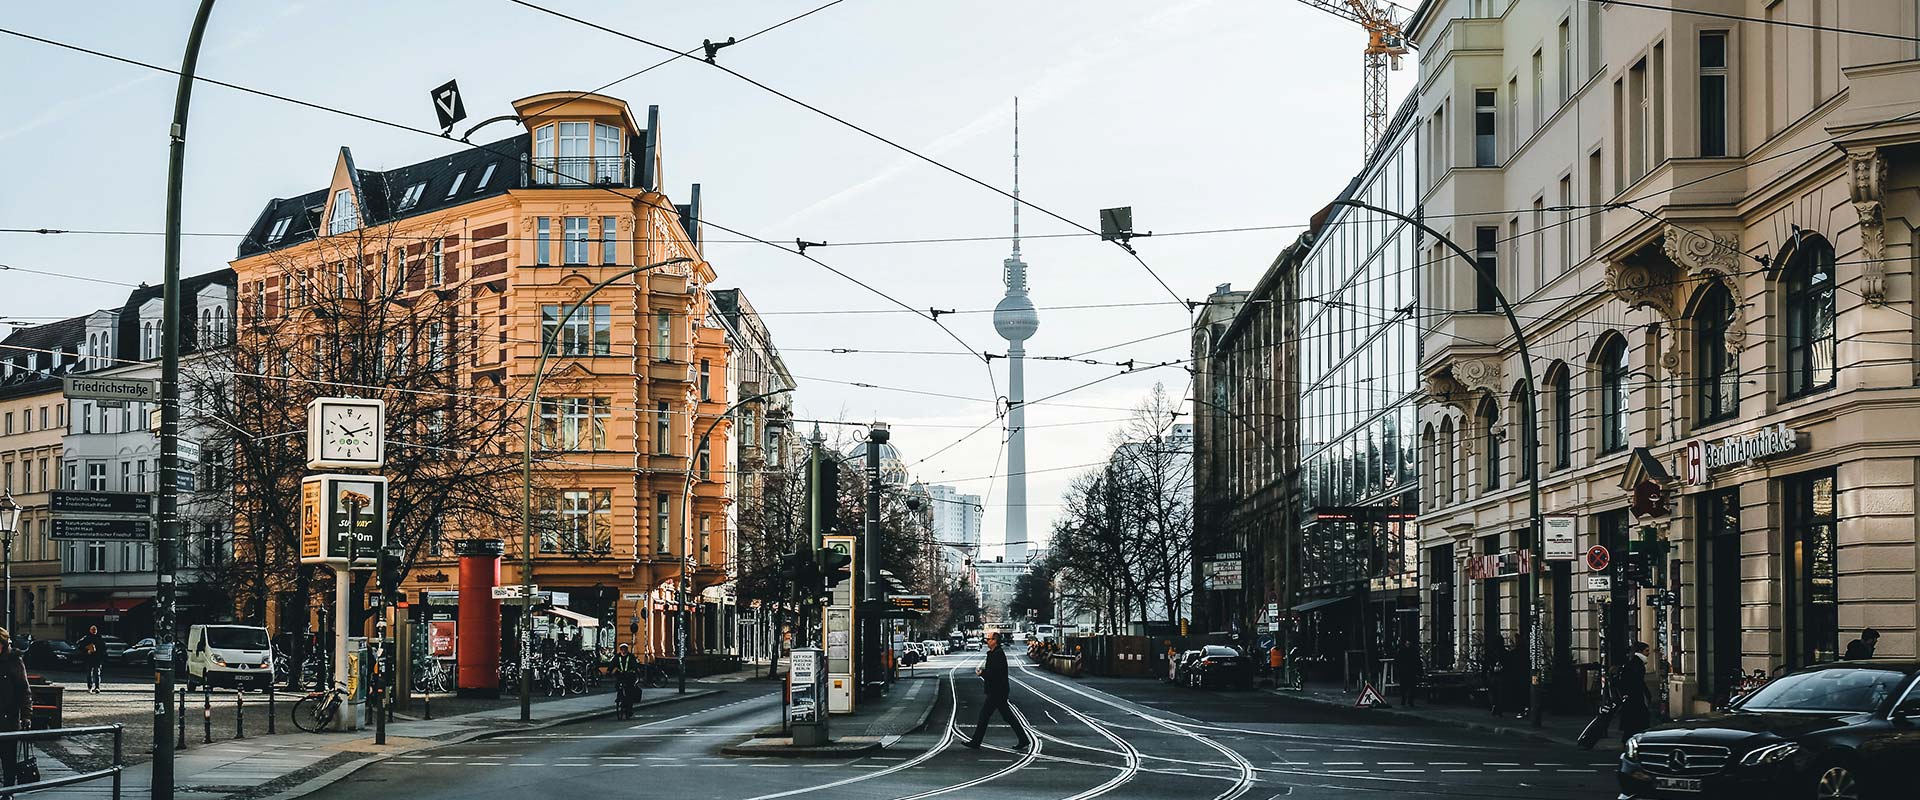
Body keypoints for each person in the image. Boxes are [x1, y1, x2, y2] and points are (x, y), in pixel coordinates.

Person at [963, 633, 1030, 750]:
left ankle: (976, 741)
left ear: (995, 641)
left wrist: (982, 673)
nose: (987, 641)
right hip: (998, 691)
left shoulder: (997, 654)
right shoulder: (994, 653)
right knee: (1007, 716)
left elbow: (995, 674)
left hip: (996, 691)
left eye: (989, 639)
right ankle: (1023, 739)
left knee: (984, 716)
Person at [0, 630, 29, 791]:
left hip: (8, 719)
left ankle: (8, 792)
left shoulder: (14, 661)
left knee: (8, 760)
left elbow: (24, 691)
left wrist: (26, 716)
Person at [1616, 642, 1653, 743]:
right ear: (1640, 651)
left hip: (1632, 696)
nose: (1648, 653)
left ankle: (1629, 740)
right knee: (1638, 720)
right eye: (1646, 650)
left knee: (1633, 722)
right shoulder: (1637, 664)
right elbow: (1637, 681)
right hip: (1634, 697)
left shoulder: (1635, 662)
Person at [610, 644, 641, 719]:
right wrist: (609, 670)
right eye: (622, 649)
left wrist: (636, 670)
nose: (623, 651)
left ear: (627, 650)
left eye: (625, 649)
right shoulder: (617, 657)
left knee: (630, 692)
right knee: (618, 686)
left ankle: (629, 709)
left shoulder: (631, 656)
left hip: (629, 676)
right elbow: (612, 664)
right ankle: (619, 697)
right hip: (620, 675)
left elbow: (635, 665)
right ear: (620, 650)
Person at [76, 626, 106, 694]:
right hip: (89, 658)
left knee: (96, 673)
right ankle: (90, 687)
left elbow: (103, 648)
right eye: (93, 630)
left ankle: (97, 687)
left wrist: (101, 656)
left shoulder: (99, 638)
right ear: (90, 630)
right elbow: (80, 646)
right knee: (90, 673)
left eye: (95, 630)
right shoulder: (87, 638)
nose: (94, 631)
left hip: (97, 658)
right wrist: (87, 651)